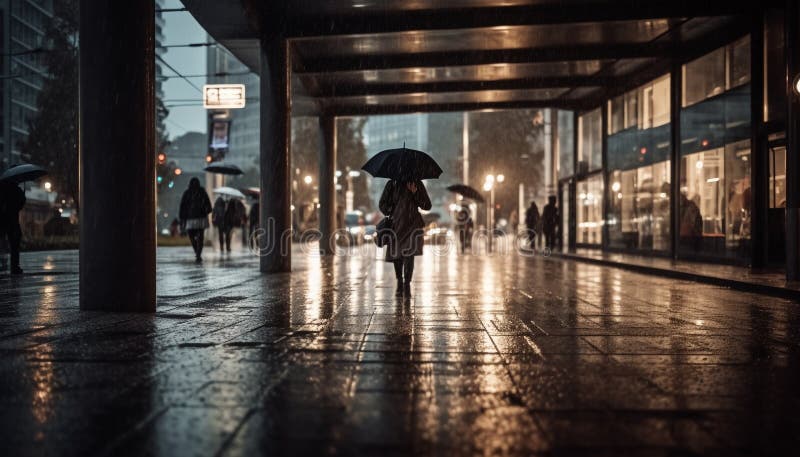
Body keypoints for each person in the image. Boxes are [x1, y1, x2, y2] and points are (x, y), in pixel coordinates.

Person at [379, 179, 432, 296]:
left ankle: (407, 284)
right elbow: (382, 205)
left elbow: (427, 205)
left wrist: (415, 193)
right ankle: (400, 282)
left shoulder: (416, 183)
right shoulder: (392, 183)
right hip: (396, 225)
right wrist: (392, 209)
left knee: (409, 255)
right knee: (397, 256)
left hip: (412, 225)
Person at [179, 178, 212, 263]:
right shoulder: (202, 192)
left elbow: (183, 206)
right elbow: (208, 205)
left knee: (191, 236)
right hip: (201, 217)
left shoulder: (187, 193)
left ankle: (197, 253)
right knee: (200, 237)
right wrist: (206, 211)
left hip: (190, 218)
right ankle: (198, 254)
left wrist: (182, 218)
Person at [0, 181, 25, 274]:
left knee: (3, 243)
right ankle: (14, 267)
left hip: (2, 221)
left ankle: (6, 264)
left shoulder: (2, 189)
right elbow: (21, 204)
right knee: (15, 245)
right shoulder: (17, 190)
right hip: (12, 221)